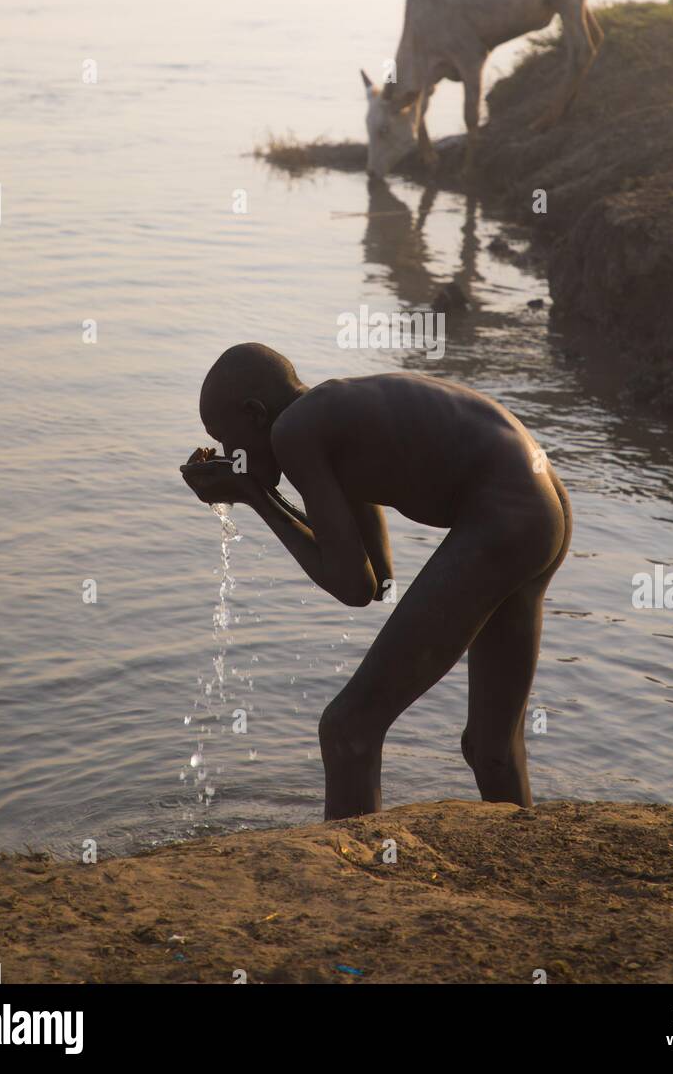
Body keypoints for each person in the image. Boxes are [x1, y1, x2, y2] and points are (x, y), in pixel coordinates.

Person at [182, 343, 571, 821]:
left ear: (255, 413)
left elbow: (348, 583)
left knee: (348, 728)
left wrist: (255, 496)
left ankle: (345, 883)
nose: (227, 454)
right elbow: (376, 582)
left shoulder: (294, 431)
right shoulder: (330, 417)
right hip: (543, 507)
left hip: (506, 513)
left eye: (226, 440)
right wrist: (257, 491)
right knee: (492, 744)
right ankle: (524, 867)